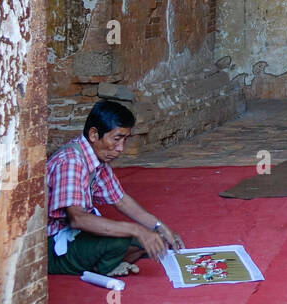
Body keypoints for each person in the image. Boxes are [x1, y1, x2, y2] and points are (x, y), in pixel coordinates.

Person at [46, 100, 184, 277]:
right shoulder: (71, 162)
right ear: (94, 134)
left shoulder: (97, 159)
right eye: (117, 139)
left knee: (153, 239)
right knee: (127, 240)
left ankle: (106, 260)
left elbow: (121, 199)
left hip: (75, 236)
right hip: (53, 247)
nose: (121, 148)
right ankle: (99, 267)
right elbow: (77, 219)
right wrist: (136, 230)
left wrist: (160, 227)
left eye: (125, 140)